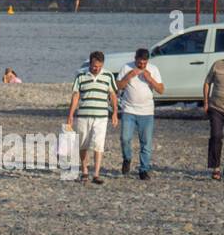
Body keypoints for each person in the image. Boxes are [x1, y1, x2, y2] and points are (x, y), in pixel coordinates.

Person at [67, 51, 119, 185]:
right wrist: (70, 115)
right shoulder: (80, 75)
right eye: (95, 66)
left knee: (98, 144)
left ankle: (96, 174)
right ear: (90, 63)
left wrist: (114, 113)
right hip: (84, 115)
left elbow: (113, 95)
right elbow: (76, 96)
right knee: (83, 144)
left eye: (100, 66)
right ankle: (84, 170)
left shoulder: (108, 76)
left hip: (101, 116)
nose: (97, 69)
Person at [116, 48, 164, 180]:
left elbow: (161, 90)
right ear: (135, 59)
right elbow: (118, 86)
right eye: (139, 63)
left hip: (147, 112)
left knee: (146, 143)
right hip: (129, 110)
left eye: (144, 63)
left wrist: (150, 79)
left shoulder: (153, 69)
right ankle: (127, 158)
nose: (142, 65)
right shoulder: (126, 67)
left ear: (147, 61)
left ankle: (144, 169)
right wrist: (129, 76)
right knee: (125, 138)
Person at [202, 51, 224, 181]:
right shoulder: (218, 65)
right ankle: (216, 168)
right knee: (216, 136)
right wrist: (206, 102)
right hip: (216, 108)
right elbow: (207, 83)